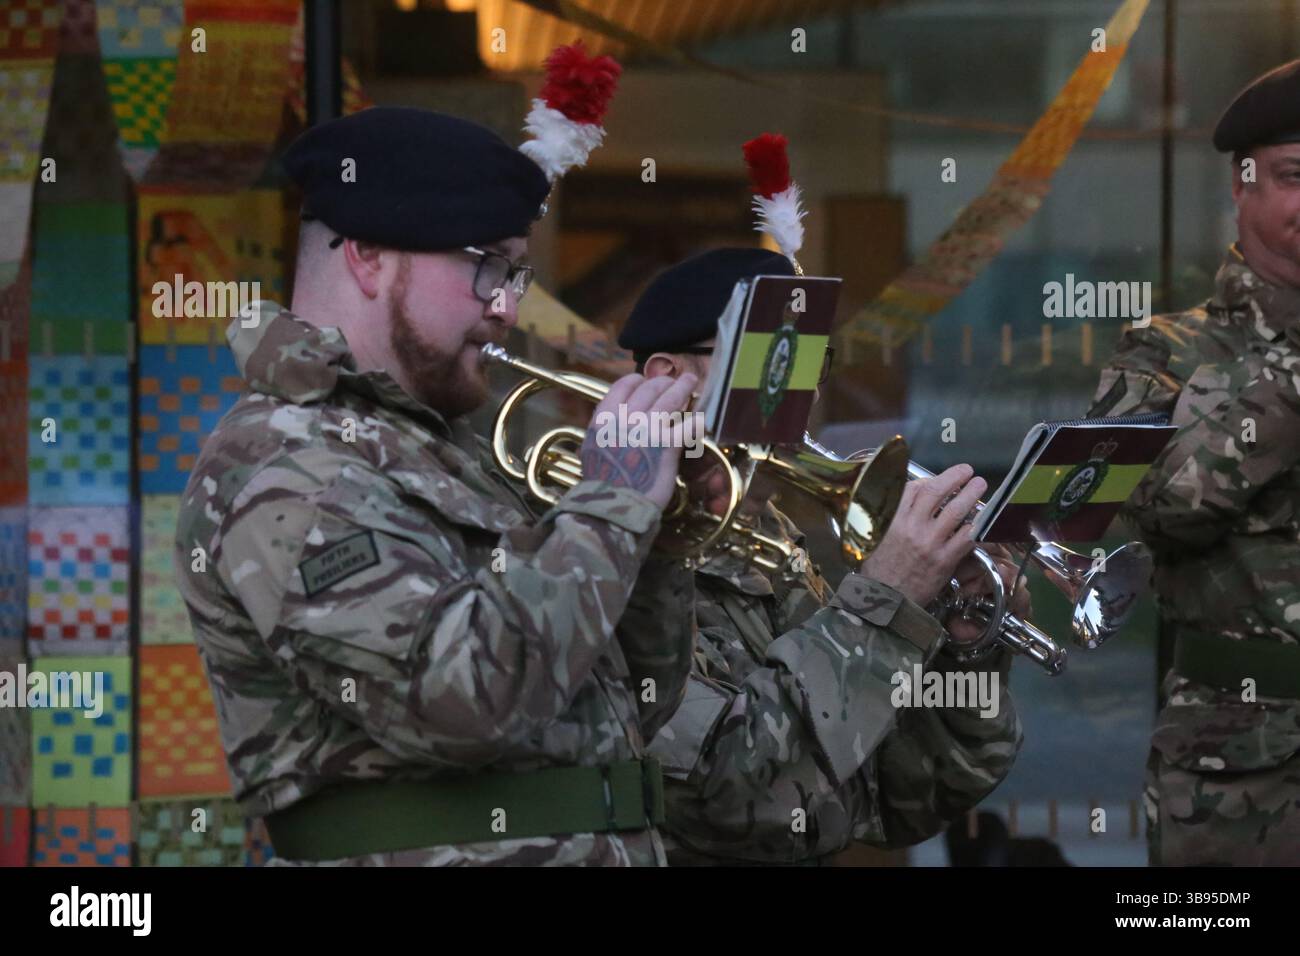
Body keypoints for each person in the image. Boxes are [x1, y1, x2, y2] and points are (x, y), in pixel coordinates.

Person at [174, 106, 699, 866]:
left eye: (515, 273)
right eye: (486, 265)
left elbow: (621, 696)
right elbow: (463, 701)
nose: (507, 308)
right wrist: (611, 503)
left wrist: (658, 535)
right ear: (367, 255)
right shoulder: (281, 461)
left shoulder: (438, 448)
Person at [620, 247, 1026, 864]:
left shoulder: (775, 541)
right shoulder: (620, 551)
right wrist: (882, 604)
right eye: (773, 362)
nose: (803, 393)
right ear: (667, 377)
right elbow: (729, 796)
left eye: (812, 362)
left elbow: (900, 795)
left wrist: (964, 646)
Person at [1087, 60, 1300, 865]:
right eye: (1294, 177)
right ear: (1240, 190)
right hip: (1242, 770)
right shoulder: (1162, 350)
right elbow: (1162, 508)